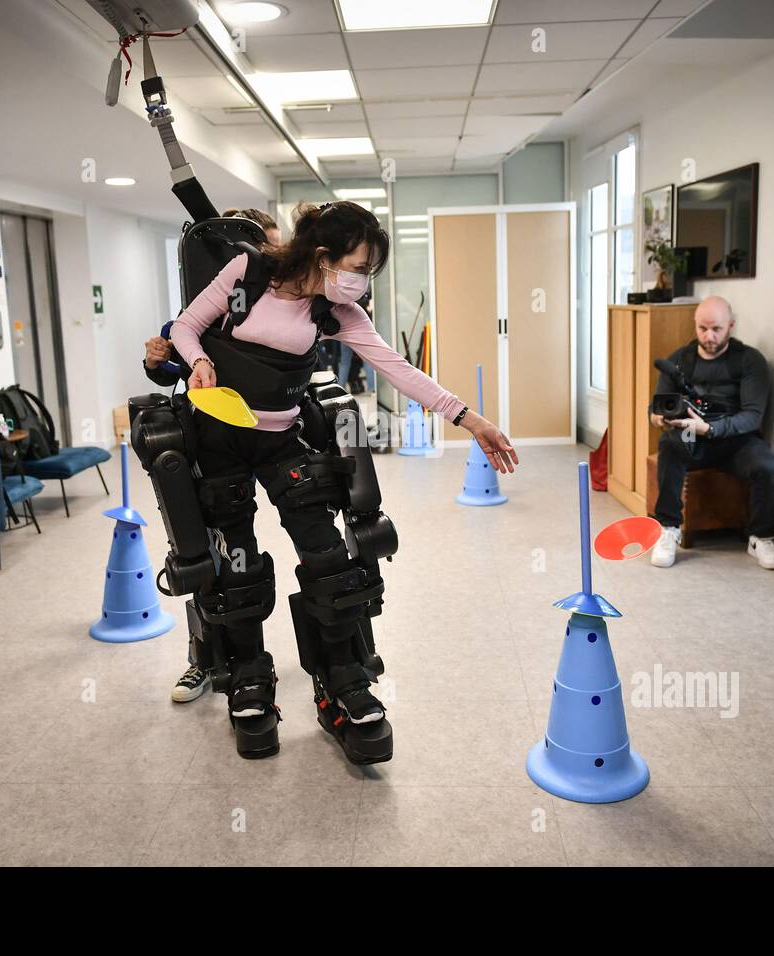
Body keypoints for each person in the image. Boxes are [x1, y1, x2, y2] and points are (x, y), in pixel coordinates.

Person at [142, 200, 517, 755]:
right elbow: (186, 326)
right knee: (237, 562)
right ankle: (249, 676)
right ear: (322, 256)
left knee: (329, 558)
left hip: (281, 439)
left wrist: (470, 418)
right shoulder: (248, 273)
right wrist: (196, 361)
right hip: (219, 439)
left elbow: (398, 369)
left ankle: (342, 679)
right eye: (359, 268)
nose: (362, 282)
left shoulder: (336, 311)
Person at [648, 295, 774, 570]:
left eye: (716, 329)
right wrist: (657, 417)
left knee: (769, 469)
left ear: (731, 325)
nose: (709, 336)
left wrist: (711, 428)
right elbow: (657, 407)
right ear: (695, 324)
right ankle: (668, 529)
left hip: (737, 440)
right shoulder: (679, 360)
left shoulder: (750, 361)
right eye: (702, 328)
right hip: (691, 436)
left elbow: (752, 416)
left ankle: (761, 537)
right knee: (669, 445)